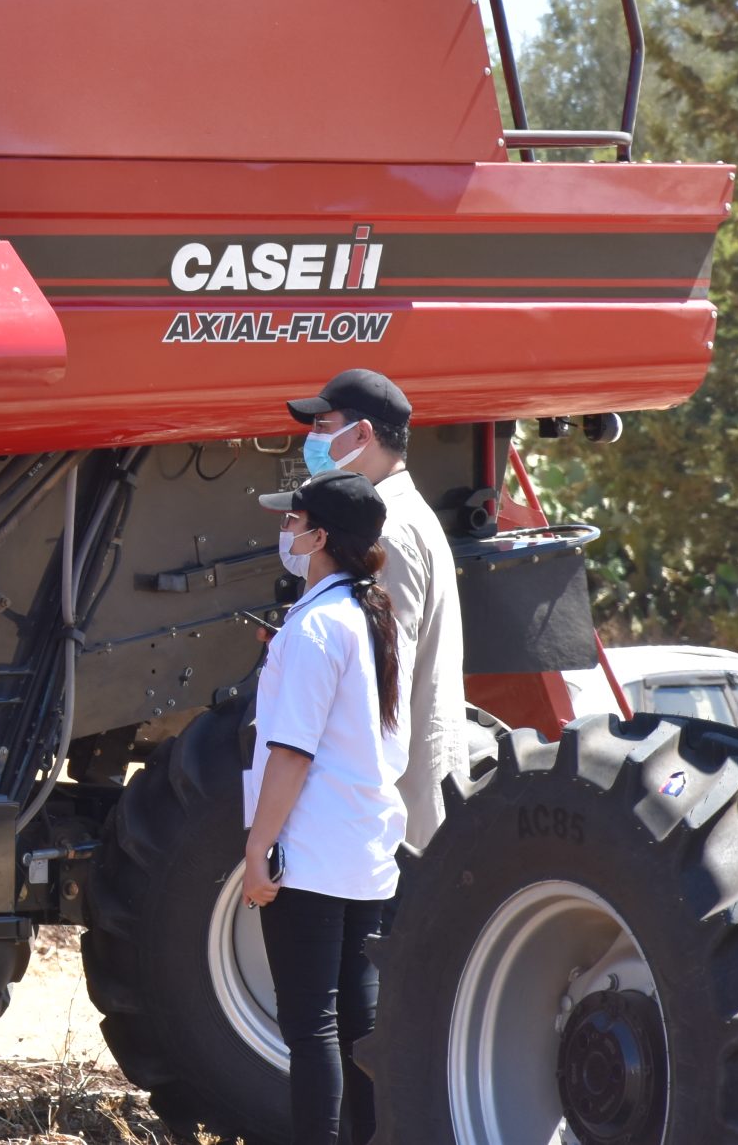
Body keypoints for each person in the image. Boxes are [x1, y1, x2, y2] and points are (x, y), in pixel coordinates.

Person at [243, 470, 410, 1145]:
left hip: (309, 852)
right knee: (357, 1025)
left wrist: (259, 848)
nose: (285, 529)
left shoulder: (315, 626)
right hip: (362, 850)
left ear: (319, 536)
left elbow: (292, 754)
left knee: (311, 1026)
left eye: (293, 519)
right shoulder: (368, 613)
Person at [287, 367, 465, 846]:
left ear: (362, 434)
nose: (312, 440)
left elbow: (384, 675)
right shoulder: (400, 514)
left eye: (323, 428)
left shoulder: (388, 530)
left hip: (395, 809)